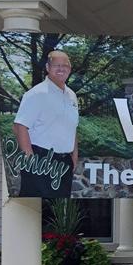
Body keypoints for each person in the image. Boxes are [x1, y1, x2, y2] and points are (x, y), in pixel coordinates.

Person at [13, 50, 79, 198]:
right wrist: (31, 160)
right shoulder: (37, 94)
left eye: (65, 65)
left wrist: (74, 156)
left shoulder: (72, 96)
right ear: (48, 68)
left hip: (64, 163)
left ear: (70, 69)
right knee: (37, 206)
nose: (61, 69)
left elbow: (72, 127)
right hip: (40, 161)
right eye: (57, 65)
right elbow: (20, 126)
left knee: (58, 208)